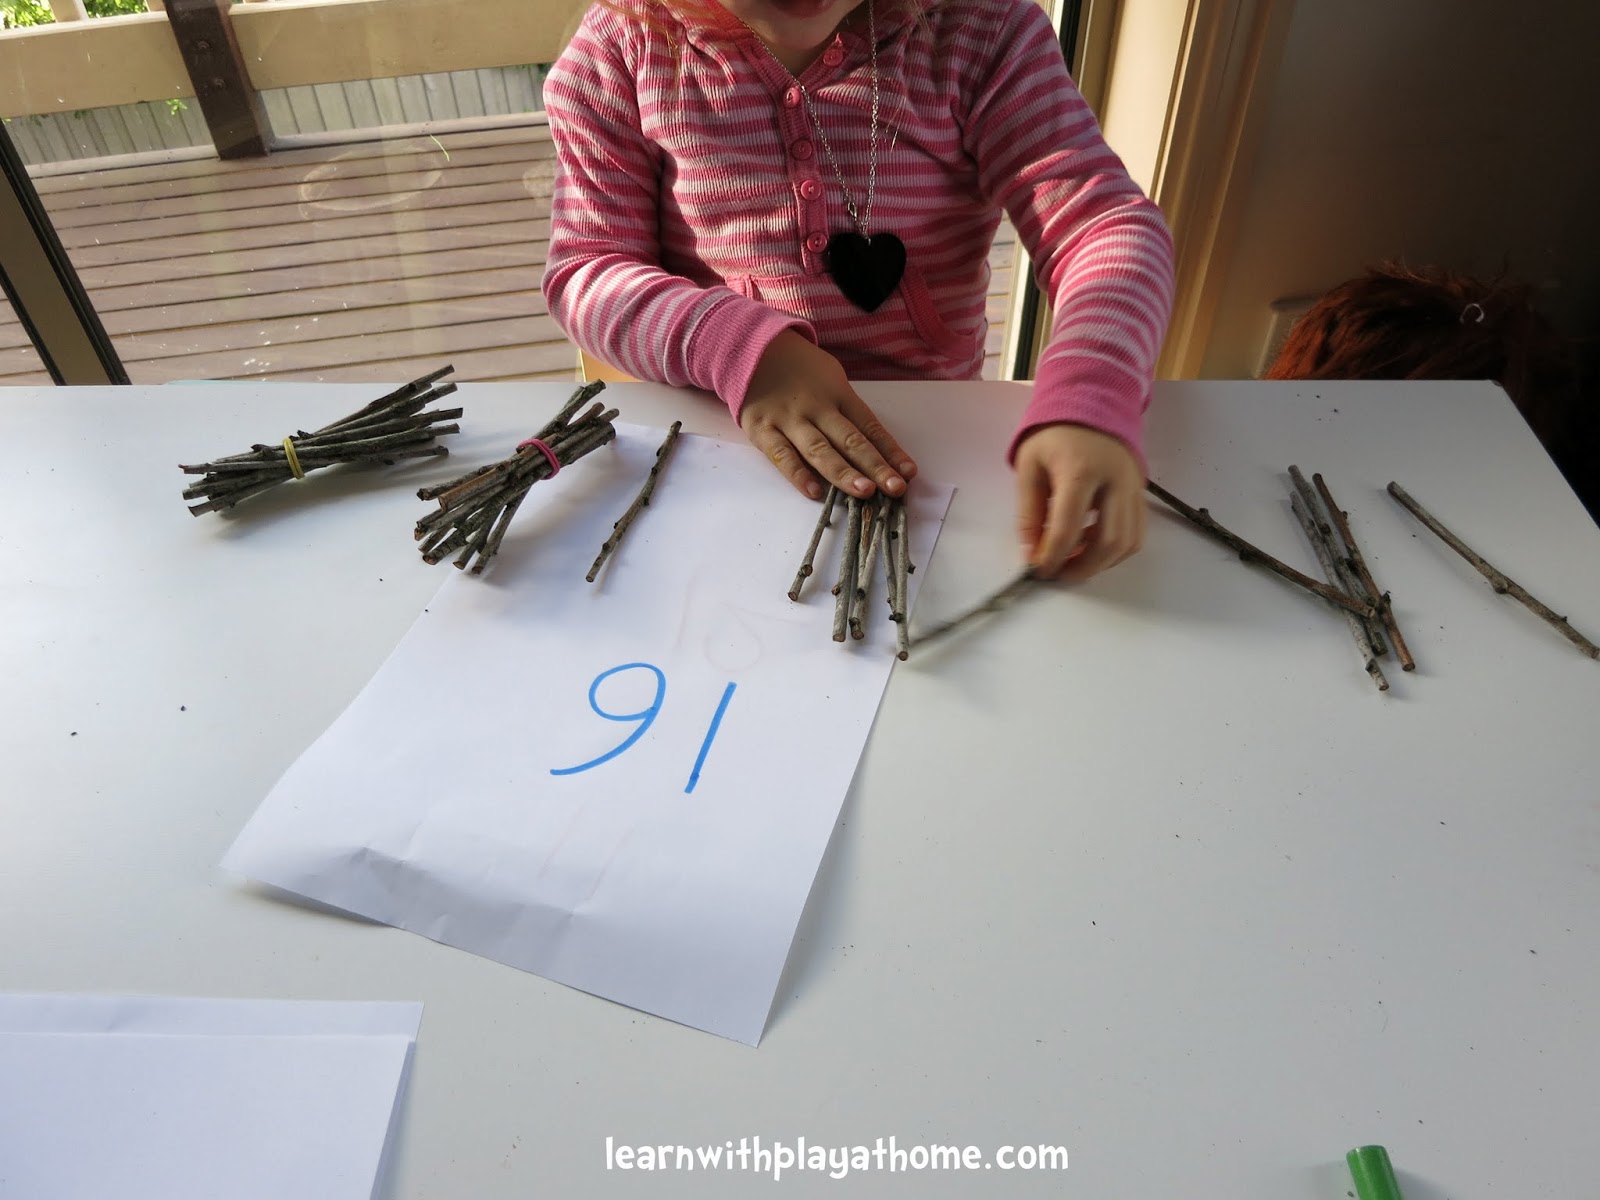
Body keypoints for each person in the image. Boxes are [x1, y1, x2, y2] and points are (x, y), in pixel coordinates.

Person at [542, 0, 1174, 580]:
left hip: (935, 447)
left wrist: (1092, 392)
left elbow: (1102, 226)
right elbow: (589, 270)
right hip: (722, 442)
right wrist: (739, 349)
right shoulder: (620, 51)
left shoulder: (981, 31)